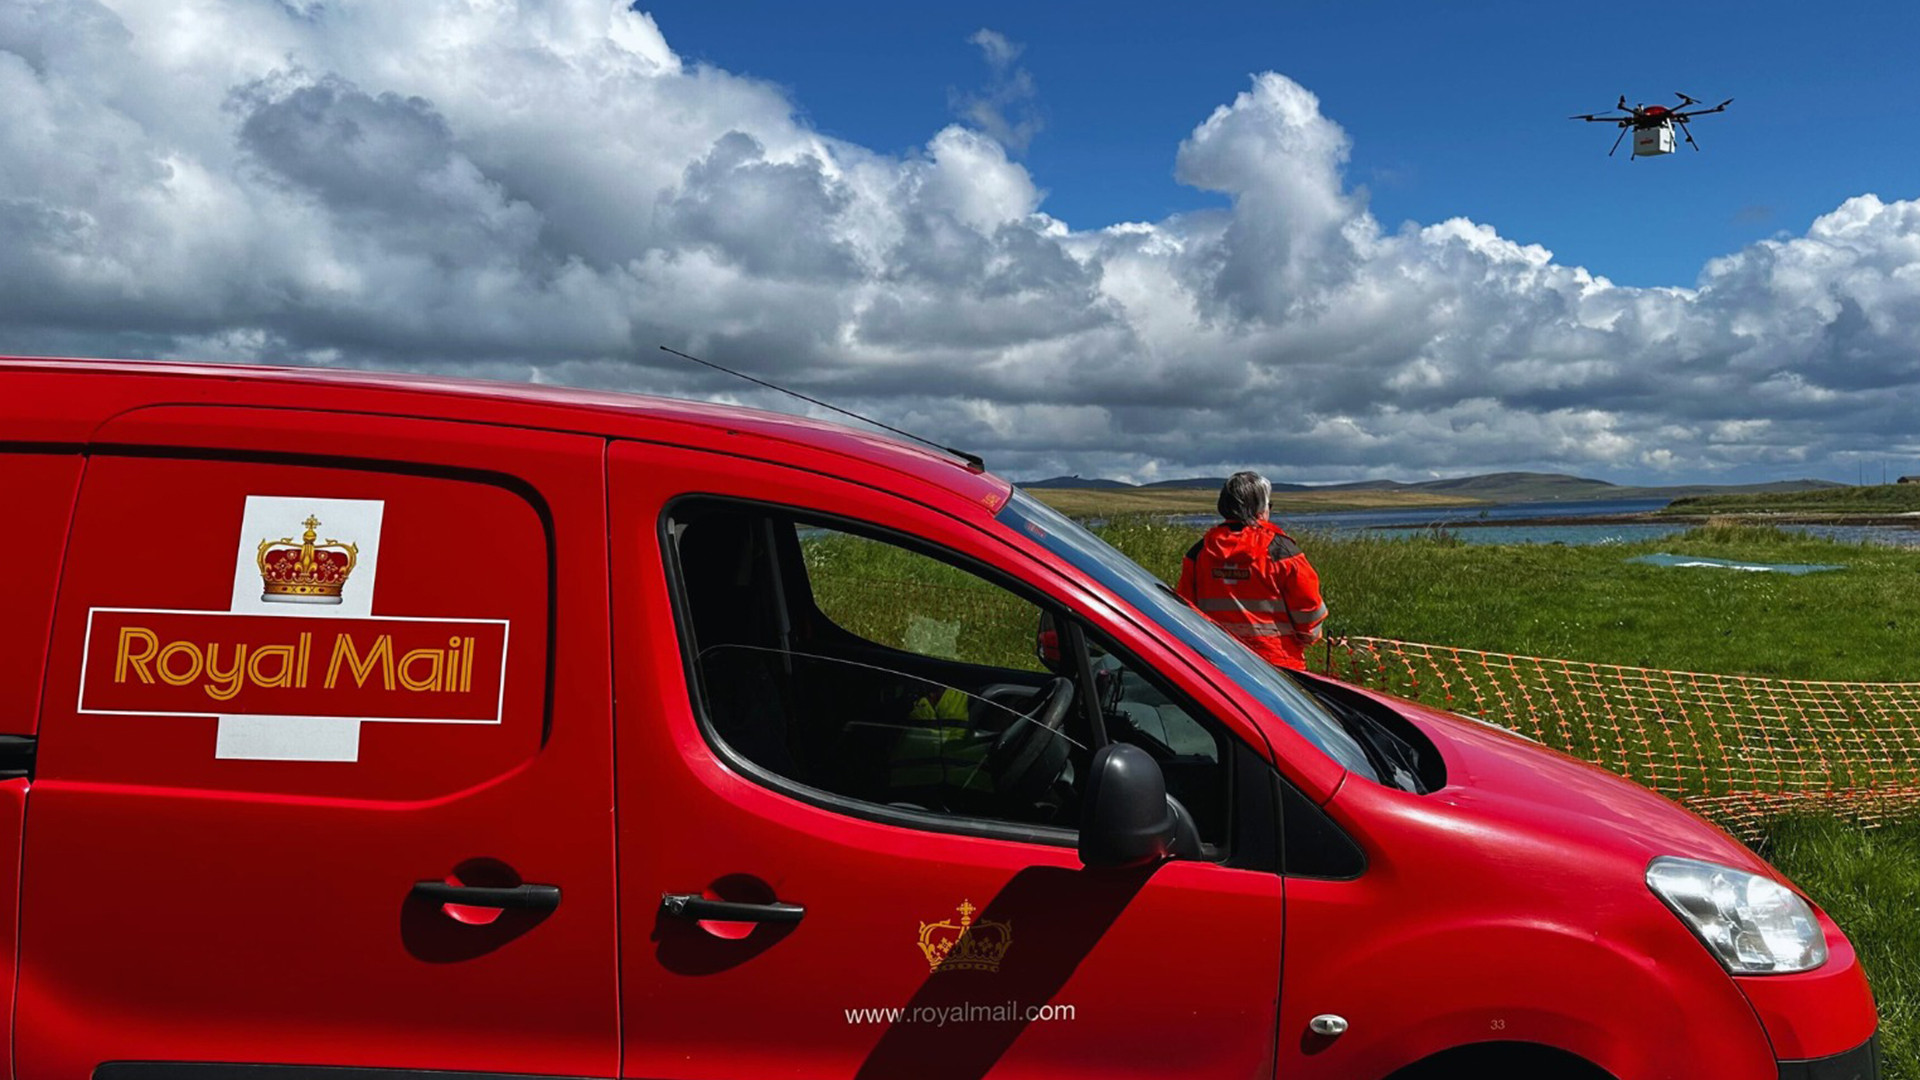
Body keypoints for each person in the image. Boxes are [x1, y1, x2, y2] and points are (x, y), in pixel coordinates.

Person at [1176, 471, 1327, 671]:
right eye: (1269, 505)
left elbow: (1185, 608)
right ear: (1260, 508)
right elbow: (1309, 610)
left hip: (1217, 660)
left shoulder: (1199, 552)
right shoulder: (1282, 552)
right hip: (1277, 664)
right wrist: (1310, 637)